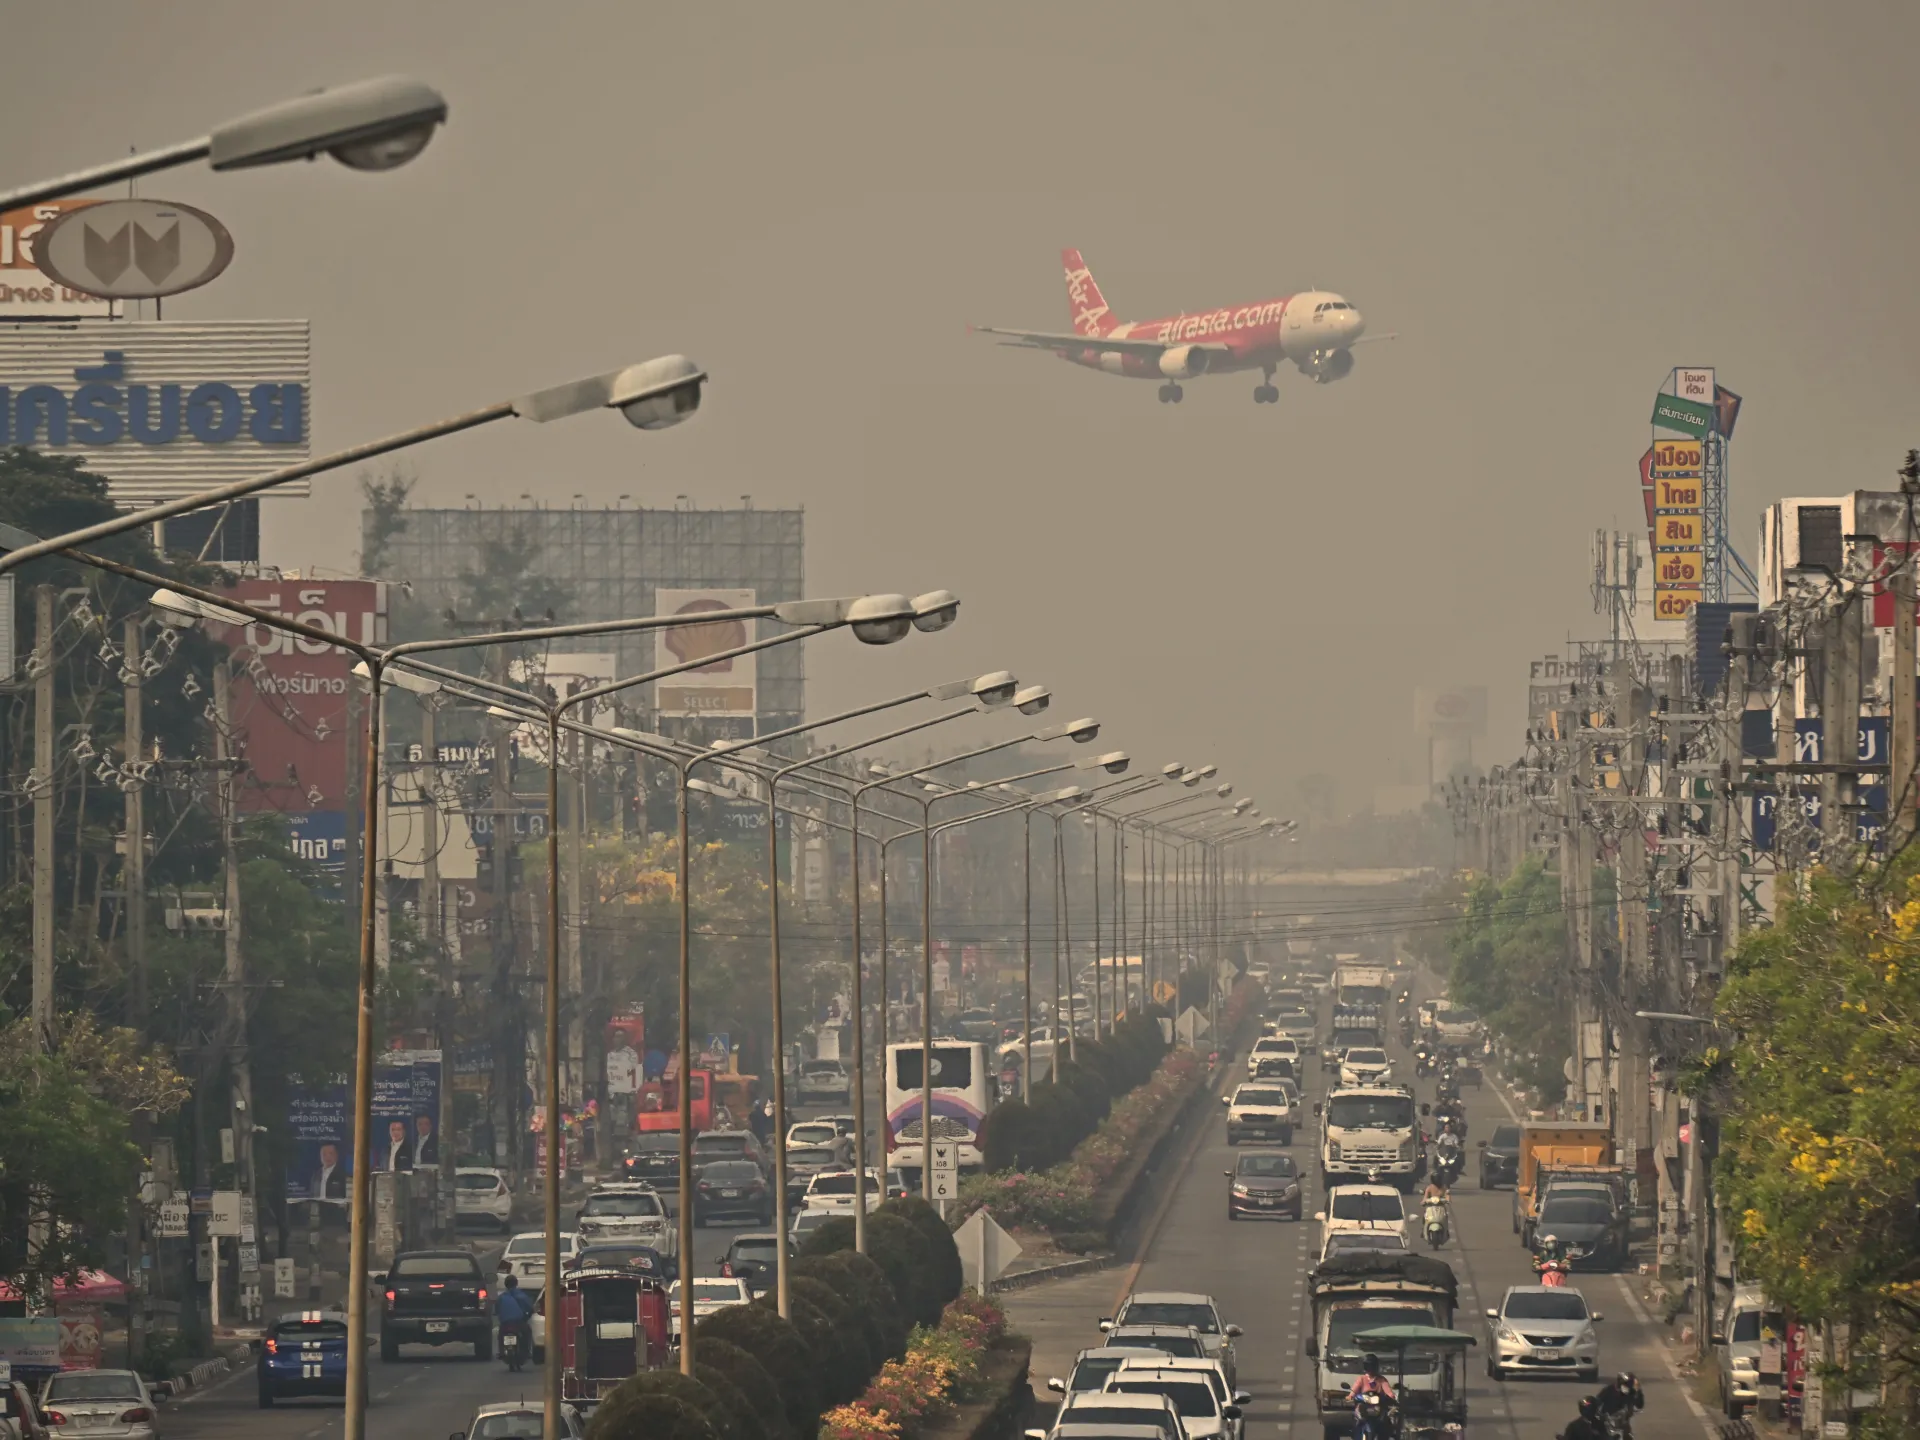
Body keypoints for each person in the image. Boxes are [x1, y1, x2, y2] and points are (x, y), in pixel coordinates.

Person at [496, 1273, 536, 1350]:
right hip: (518, 1323)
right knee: (527, 1332)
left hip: (505, 1323)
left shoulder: (501, 1297)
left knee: (501, 1334)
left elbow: (497, 1311)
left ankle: (501, 1351)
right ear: (516, 1283)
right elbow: (530, 1308)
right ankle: (527, 1350)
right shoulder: (522, 1296)